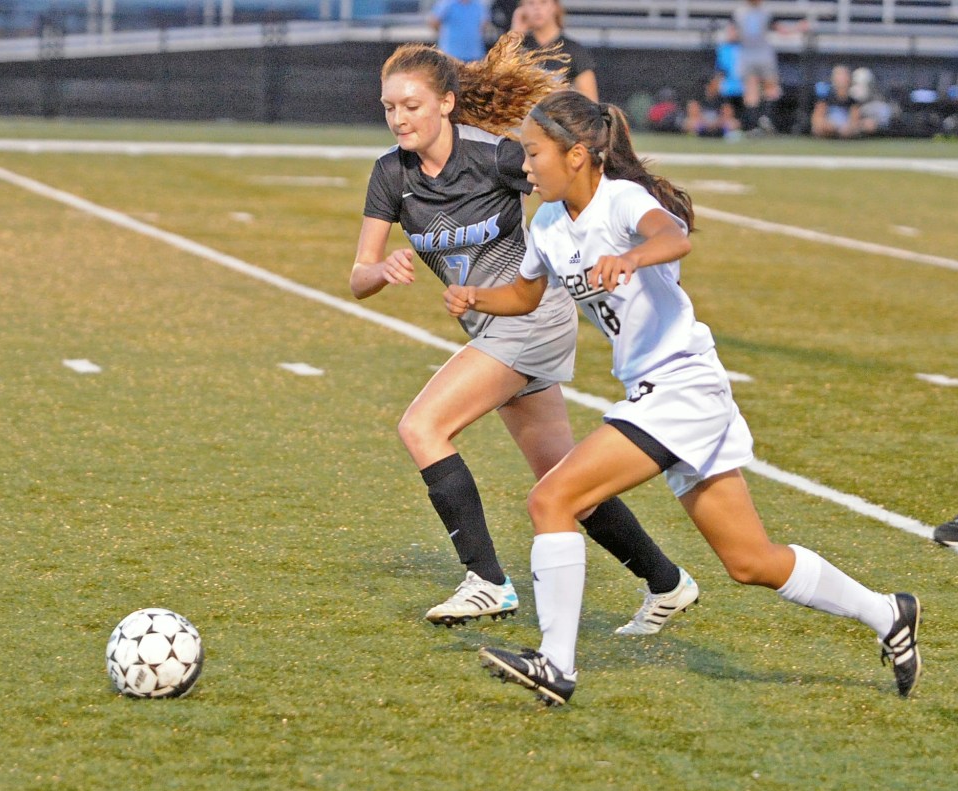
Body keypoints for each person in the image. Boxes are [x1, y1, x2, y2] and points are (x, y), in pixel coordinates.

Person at [444, 90, 922, 704]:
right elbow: (525, 297)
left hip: (682, 388)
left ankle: (555, 666)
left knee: (552, 498)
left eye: (535, 154)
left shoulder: (622, 202)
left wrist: (632, 257)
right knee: (750, 561)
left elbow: (674, 237)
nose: (525, 166)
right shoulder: (546, 225)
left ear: (579, 156)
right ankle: (890, 613)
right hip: (668, 393)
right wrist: (475, 298)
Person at [351, 38, 700, 633]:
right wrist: (380, 271)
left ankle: (486, 580)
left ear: (446, 104)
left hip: (534, 317)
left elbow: (571, 178)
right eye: (389, 107)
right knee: (564, 481)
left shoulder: (495, 157)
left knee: (423, 426)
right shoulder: (391, 175)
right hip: (490, 322)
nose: (399, 118)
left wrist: (625, 231)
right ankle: (668, 583)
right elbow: (359, 275)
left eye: (411, 105)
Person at [726, 0, 807, 133]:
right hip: (748, 53)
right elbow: (731, 34)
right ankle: (754, 124)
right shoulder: (740, 13)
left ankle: (765, 119)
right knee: (752, 91)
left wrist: (797, 28)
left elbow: (781, 30)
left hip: (762, 54)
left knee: (771, 88)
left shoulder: (765, 12)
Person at [512, 0, 598, 101]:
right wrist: (515, 33)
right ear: (522, 9)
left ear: (555, 6)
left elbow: (591, 101)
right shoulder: (518, 47)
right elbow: (496, 78)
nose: (537, 8)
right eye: (531, 3)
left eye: (543, 2)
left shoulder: (574, 50)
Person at [811, 64, 867, 138]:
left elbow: (855, 121)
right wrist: (829, 126)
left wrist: (848, 128)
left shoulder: (853, 101)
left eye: (844, 76)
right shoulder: (825, 99)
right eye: (839, 76)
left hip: (846, 131)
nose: (842, 79)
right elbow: (817, 119)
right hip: (828, 129)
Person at [683, 71, 742, 138]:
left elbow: (727, 114)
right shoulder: (698, 95)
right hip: (702, 124)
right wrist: (706, 123)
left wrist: (716, 123)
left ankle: (721, 133)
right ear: (710, 84)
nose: (719, 84)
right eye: (717, 82)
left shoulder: (723, 97)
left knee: (734, 123)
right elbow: (693, 113)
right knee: (689, 123)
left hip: (718, 124)